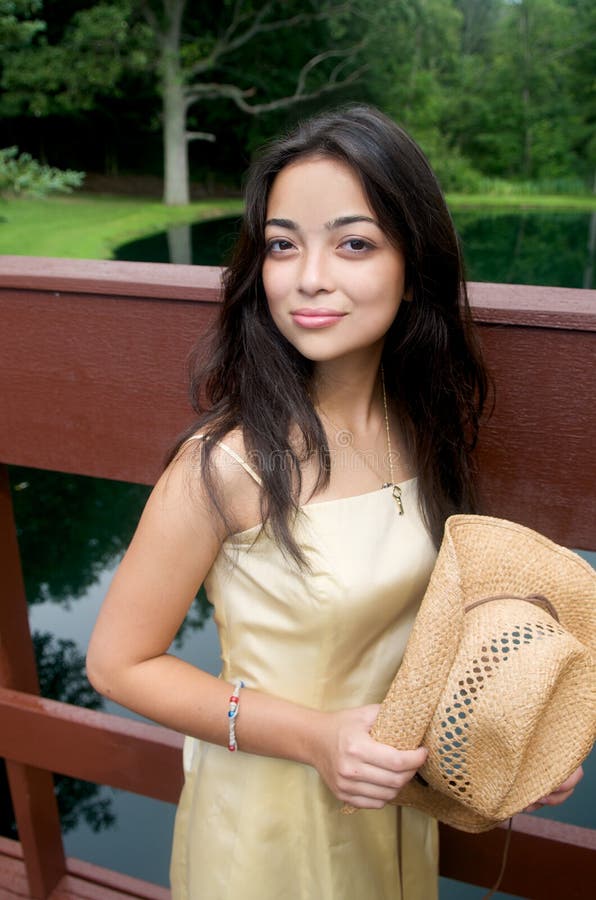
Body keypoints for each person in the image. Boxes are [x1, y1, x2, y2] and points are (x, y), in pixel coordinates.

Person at [86, 105, 581, 899]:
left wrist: (516, 735)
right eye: (283, 245)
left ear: (413, 268)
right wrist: (316, 738)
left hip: (392, 805)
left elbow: (422, 634)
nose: (309, 276)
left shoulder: (420, 429)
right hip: (269, 823)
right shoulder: (228, 465)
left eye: (353, 244)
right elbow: (117, 663)